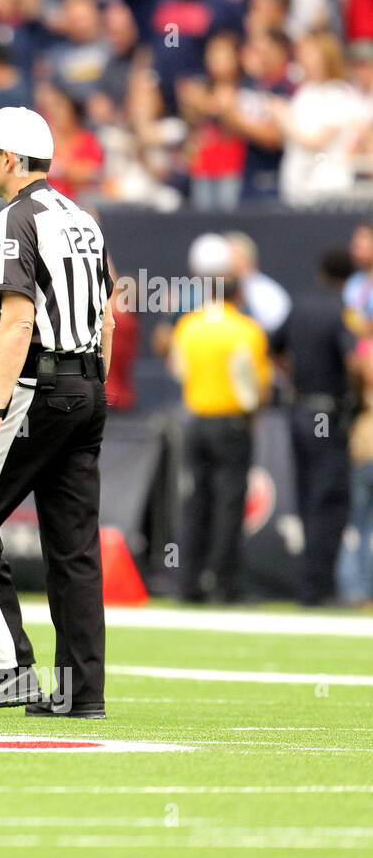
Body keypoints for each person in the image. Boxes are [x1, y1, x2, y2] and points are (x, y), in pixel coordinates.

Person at [0, 106, 115, 719]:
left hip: (36, 390)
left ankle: (11, 667)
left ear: (10, 160)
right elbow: (107, 315)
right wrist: (94, 387)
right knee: (74, 547)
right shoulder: (82, 218)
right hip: (87, 384)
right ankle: (79, 692)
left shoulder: (15, 219)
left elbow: (17, 320)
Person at [169, 233, 273, 604]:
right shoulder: (246, 330)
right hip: (231, 423)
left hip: (195, 420)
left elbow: (179, 370)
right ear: (239, 295)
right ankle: (224, 585)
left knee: (194, 503)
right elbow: (256, 386)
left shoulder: (190, 326)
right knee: (229, 506)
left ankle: (187, 583)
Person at [271, 248, 360, 605]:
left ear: (321, 273)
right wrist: (357, 395)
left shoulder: (300, 307)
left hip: (298, 411)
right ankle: (319, 588)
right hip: (326, 414)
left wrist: (294, 375)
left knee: (308, 498)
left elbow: (272, 347)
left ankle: (309, 585)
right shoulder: (343, 313)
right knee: (330, 499)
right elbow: (354, 361)